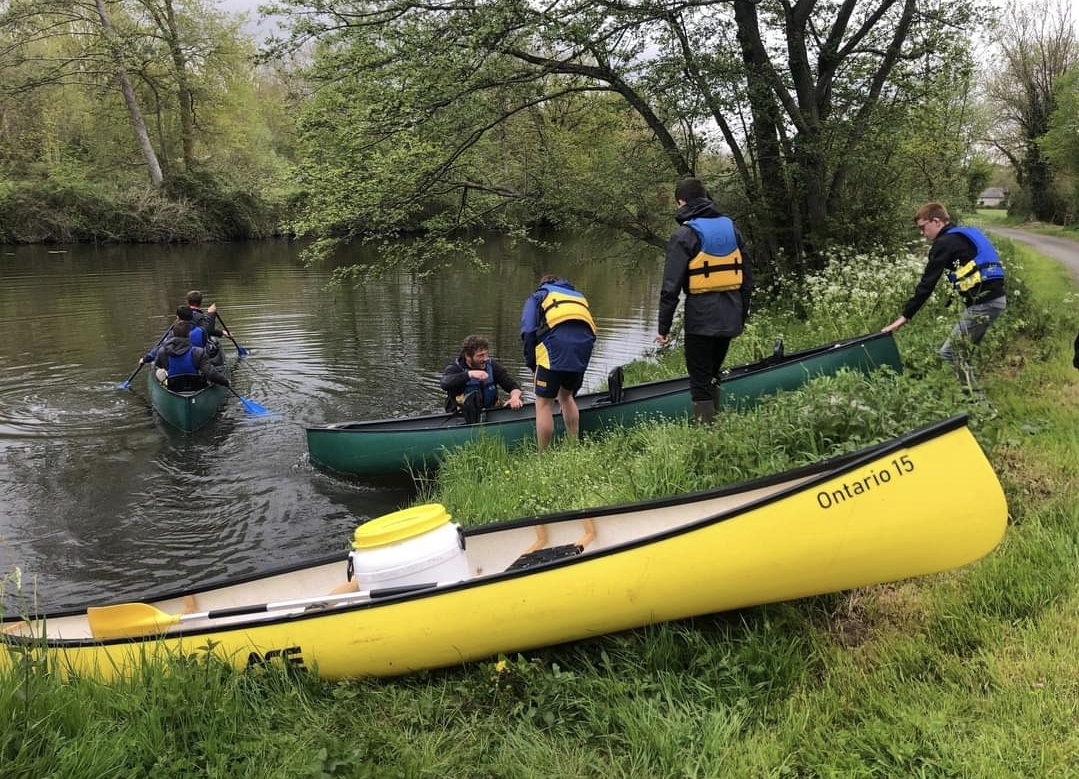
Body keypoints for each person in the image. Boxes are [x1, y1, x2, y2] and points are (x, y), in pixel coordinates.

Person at [655, 177, 752, 424]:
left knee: (699, 379)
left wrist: (663, 329)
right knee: (713, 373)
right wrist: (741, 316)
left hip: (700, 319)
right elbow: (746, 280)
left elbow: (670, 288)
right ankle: (714, 426)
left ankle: (706, 437)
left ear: (681, 202)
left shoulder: (684, 235)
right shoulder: (732, 229)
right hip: (730, 314)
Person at [882, 202, 1006, 395]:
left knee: (950, 354)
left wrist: (904, 317)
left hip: (983, 304)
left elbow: (927, 284)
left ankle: (981, 408)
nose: (923, 233)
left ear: (937, 221)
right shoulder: (962, 235)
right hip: (996, 301)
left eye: (923, 227)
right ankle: (969, 402)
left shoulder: (943, 243)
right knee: (962, 355)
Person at [520, 274, 596, 452]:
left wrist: (532, 365)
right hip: (582, 349)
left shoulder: (539, 296)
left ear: (543, 284)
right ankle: (573, 446)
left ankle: (542, 455)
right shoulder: (579, 297)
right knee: (566, 396)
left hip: (553, 349)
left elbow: (528, 331)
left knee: (544, 404)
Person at [440, 335, 524, 418]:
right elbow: (444, 383)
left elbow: (513, 386)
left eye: (486, 354)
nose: (485, 359)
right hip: (460, 417)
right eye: (480, 355)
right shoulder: (455, 368)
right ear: (468, 356)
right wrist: (469, 374)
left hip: (490, 413)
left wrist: (515, 397)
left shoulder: (492, 366)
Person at [153, 320, 229, 389]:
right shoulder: (198, 352)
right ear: (189, 335)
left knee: (158, 371)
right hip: (196, 386)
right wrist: (225, 382)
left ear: (173, 334)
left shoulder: (162, 351)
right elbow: (210, 373)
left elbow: (158, 365)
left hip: (174, 386)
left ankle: (165, 386)